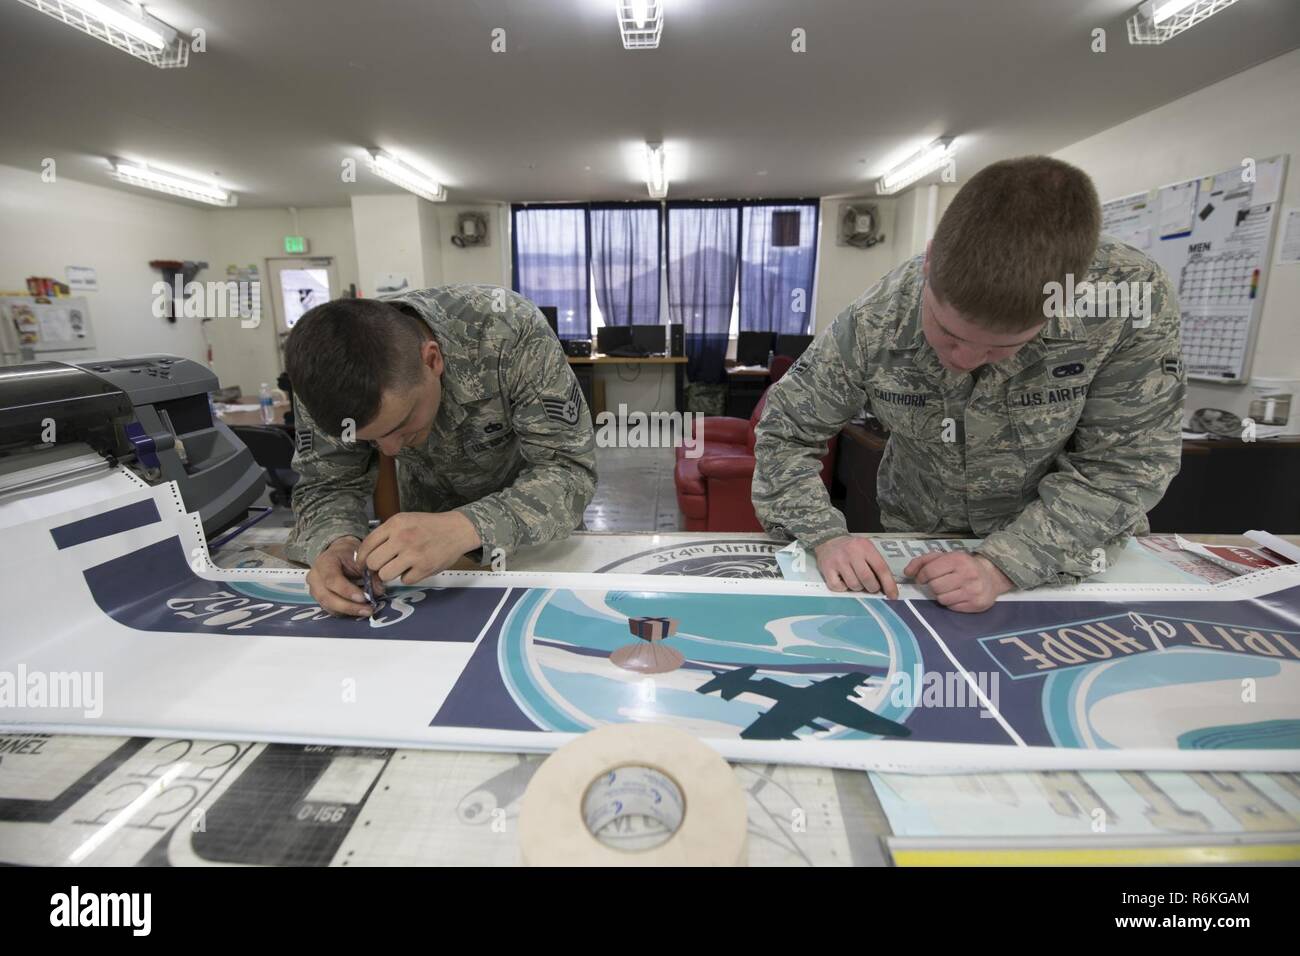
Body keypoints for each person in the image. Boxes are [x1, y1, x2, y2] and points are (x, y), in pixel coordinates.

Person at [752, 156, 1186, 612]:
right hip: (924, 546)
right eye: (949, 334)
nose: (963, 361)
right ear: (930, 261)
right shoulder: (877, 317)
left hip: (1070, 553)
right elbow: (786, 431)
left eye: (1002, 349)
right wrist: (824, 536)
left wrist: (1003, 564)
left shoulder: (1130, 300)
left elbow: (1125, 467)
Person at [283, 285, 596, 616]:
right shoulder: (324, 377)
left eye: (401, 424)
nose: (388, 451)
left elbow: (568, 472)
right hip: (429, 565)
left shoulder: (507, 331)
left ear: (432, 360)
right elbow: (326, 485)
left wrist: (466, 527)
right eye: (369, 440)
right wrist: (337, 543)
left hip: (536, 542)